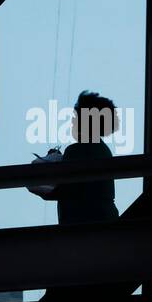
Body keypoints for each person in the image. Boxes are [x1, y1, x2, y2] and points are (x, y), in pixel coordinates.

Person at [44, 91, 119, 226]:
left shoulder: (76, 150)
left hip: (84, 228)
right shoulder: (103, 150)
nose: (72, 121)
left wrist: (48, 165)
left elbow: (63, 190)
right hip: (104, 223)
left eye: (76, 116)